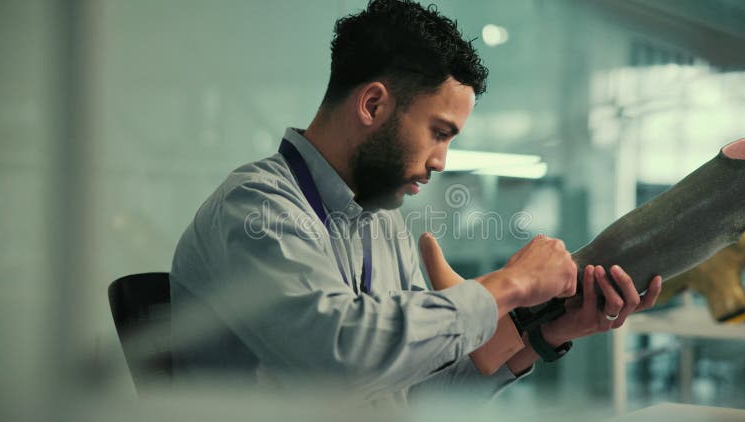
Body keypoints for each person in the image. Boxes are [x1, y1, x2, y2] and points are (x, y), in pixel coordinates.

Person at [170, 0, 662, 406]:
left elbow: (417, 397)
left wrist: (546, 333)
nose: (441, 162)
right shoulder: (254, 209)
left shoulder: (380, 226)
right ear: (373, 105)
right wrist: (510, 285)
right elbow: (339, 360)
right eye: (438, 133)